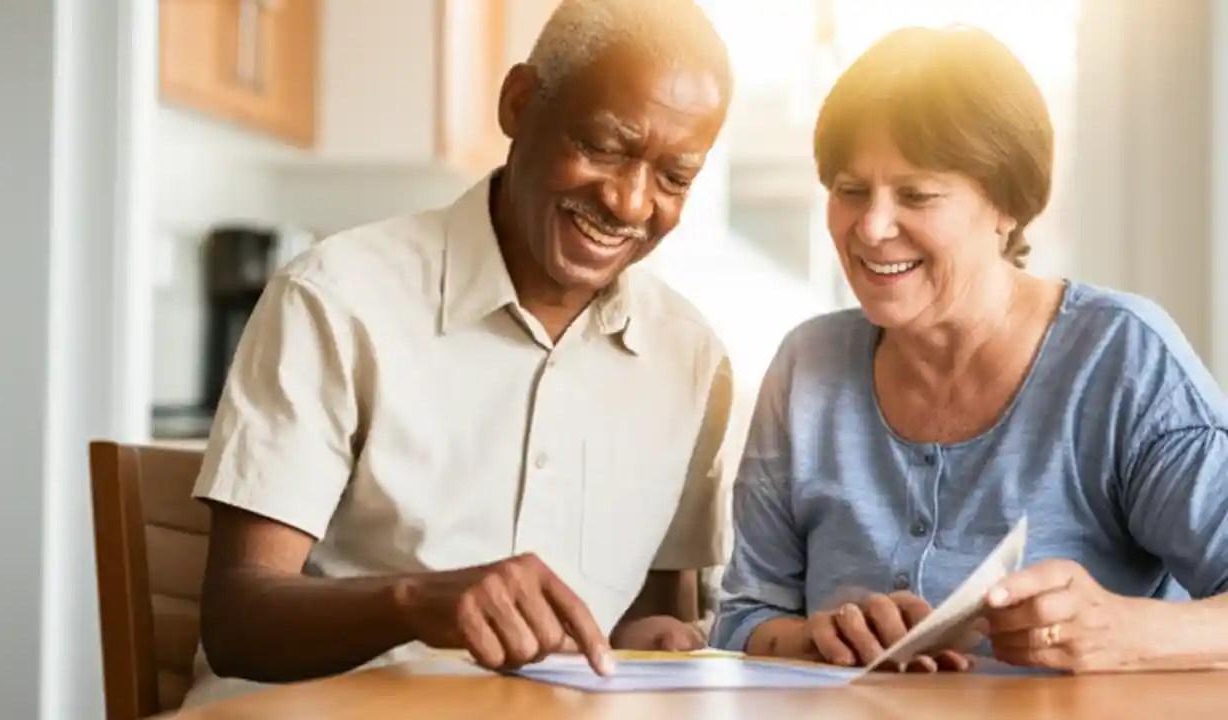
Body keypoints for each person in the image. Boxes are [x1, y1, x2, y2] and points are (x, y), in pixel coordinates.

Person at [181, 0, 737, 707]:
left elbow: (652, 617)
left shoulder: (690, 361)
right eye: (604, 146)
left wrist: (657, 638)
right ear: (518, 103)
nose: (630, 203)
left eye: (673, 178)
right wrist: (415, 604)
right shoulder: (336, 298)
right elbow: (238, 622)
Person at [709, 26, 1228, 674]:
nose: (871, 227)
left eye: (917, 195)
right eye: (850, 189)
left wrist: (1125, 631)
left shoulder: (1120, 359)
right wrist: (823, 637)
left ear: (1006, 206)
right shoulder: (806, 367)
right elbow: (742, 622)